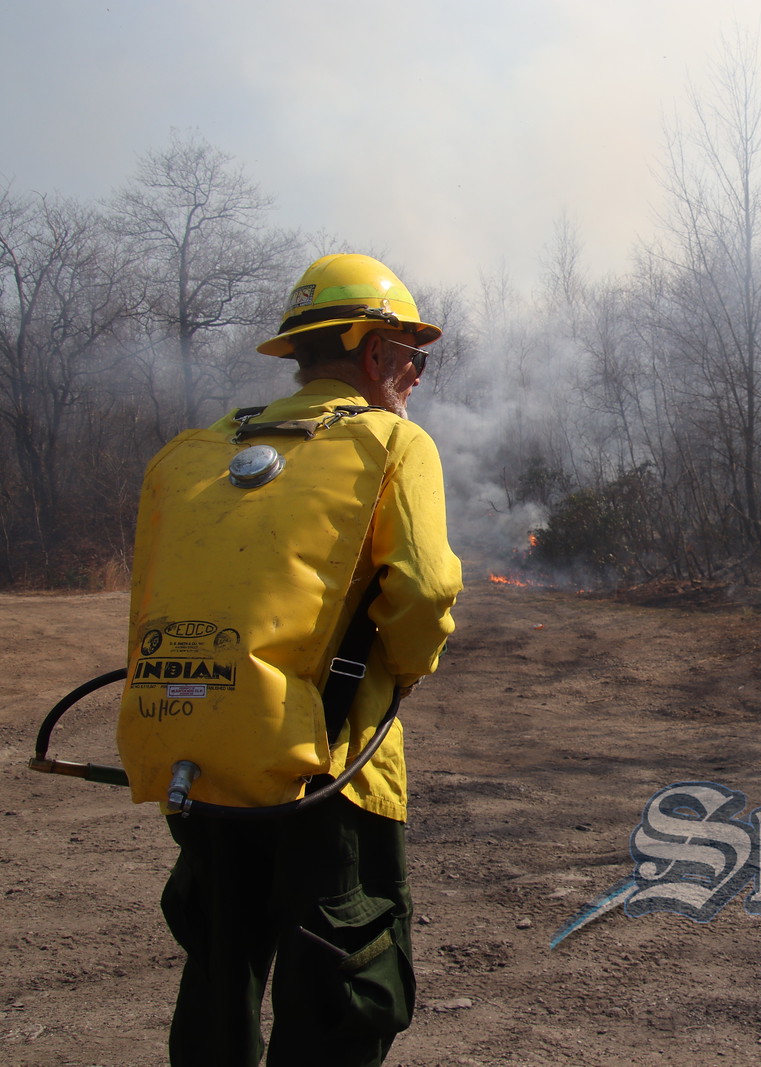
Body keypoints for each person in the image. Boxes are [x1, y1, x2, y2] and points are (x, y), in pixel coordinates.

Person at [117, 253, 463, 1066]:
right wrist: (401, 673)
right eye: (412, 357)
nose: (415, 376)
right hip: (331, 777)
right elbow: (423, 592)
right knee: (343, 997)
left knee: (217, 980)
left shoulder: (187, 456)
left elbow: (148, 609)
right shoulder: (391, 443)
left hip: (197, 766)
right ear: (373, 352)